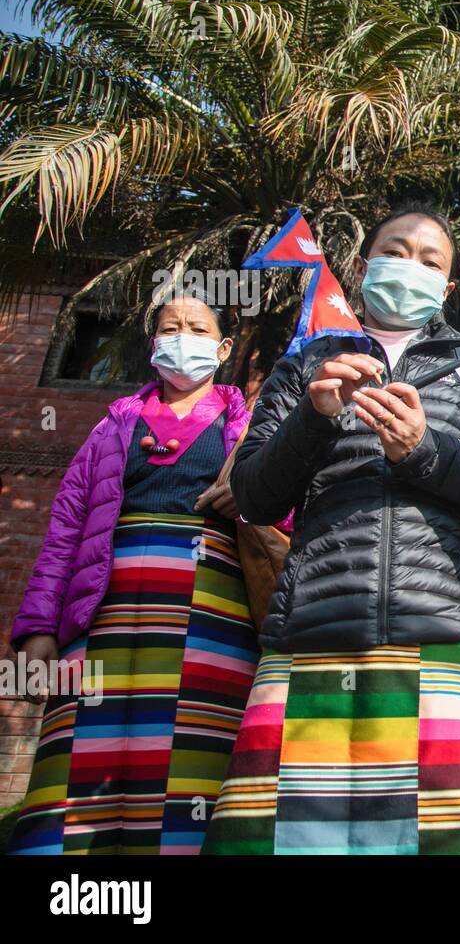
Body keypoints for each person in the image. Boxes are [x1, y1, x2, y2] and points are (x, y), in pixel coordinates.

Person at [201, 203, 460, 855]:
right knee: (288, 838)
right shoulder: (305, 365)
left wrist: (424, 452)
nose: (410, 266)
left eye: (430, 261)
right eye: (396, 251)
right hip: (315, 631)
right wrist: (316, 417)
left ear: (447, 288)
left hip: (449, 634)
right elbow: (254, 496)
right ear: (360, 266)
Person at [8, 295, 258, 854]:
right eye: (170, 328)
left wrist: (250, 489)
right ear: (153, 347)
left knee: (193, 761)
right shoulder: (111, 428)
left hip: (215, 622)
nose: (182, 337)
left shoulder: (249, 431)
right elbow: (65, 529)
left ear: (222, 349)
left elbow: (282, 517)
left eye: (197, 328)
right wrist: (39, 629)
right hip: (102, 615)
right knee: (76, 759)